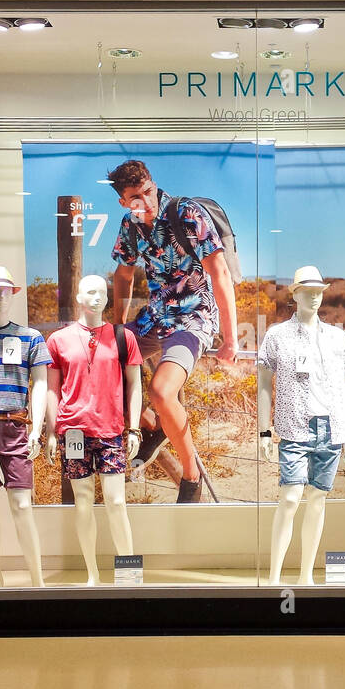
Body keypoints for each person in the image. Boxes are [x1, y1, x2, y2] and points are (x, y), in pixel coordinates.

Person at [107, 159, 238, 503]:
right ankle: (153, 426)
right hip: (155, 316)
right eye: (136, 197)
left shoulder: (187, 214)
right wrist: (120, 326)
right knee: (100, 361)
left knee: (163, 392)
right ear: (123, 201)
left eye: (148, 191)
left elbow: (220, 274)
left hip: (193, 317)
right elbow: (123, 275)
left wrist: (231, 338)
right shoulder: (130, 225)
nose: (146, 202)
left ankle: (190, 476)